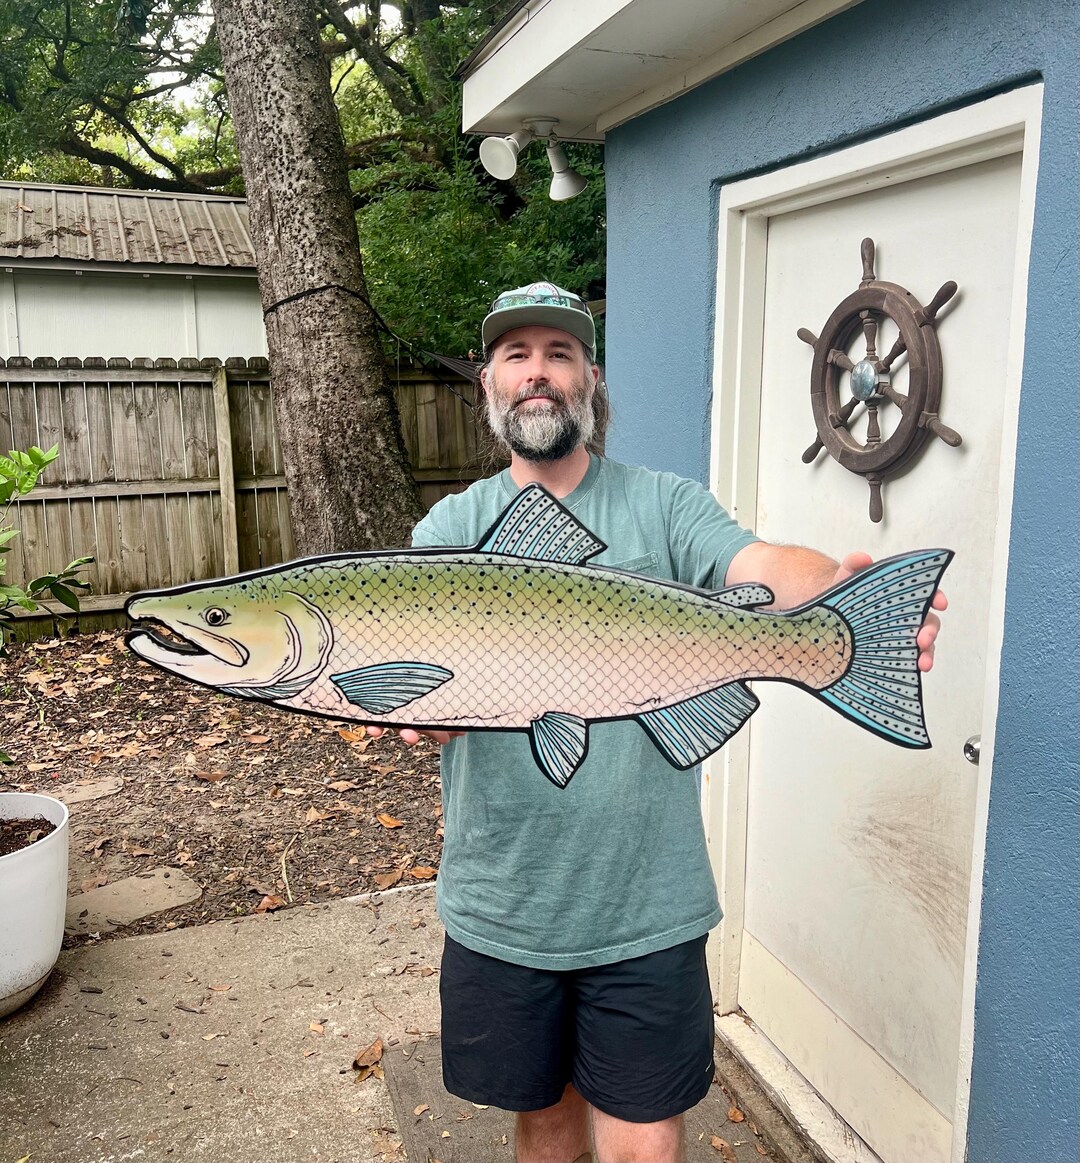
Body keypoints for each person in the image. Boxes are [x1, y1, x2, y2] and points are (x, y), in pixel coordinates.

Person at [368, 281, 945, 1163]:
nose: (538, 373)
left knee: (648, 1141)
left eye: (559, 355)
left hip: (649, 905)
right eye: (517, 354)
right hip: (505, 904)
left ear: (589, 381)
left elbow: (756, 561)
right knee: (544, 1124)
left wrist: (843, 593)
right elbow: (422, 692)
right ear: (489, 381)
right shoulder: (452, 527)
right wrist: (422, 717)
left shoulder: (664, 506)